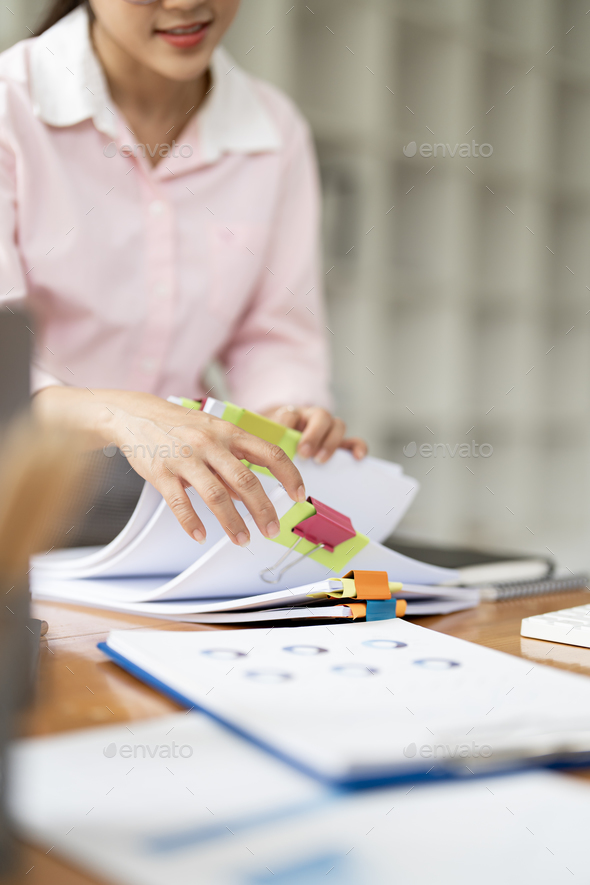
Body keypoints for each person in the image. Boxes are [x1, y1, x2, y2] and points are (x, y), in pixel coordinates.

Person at [0, 0, 367, 548]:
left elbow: (274, 334)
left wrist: (283, 412)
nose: (186, 3)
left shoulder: (274, 129)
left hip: (177, 512)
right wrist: (119, 415)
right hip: (20, 495)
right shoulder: (11, 104)